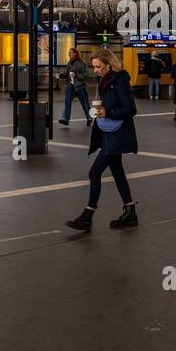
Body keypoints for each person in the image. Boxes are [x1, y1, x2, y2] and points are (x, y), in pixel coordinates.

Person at [66, 48, 139, 230]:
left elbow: (130, 109)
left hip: (117, 134)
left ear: (108, 65)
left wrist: (108, 112)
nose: (95, 70)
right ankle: (130, 211)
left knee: (94, 173)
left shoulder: (120, 81)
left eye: (98, 67)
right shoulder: (105, 81)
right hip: (109, 132)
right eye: (94, 67)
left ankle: (87, 216)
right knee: (117, 172)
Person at [58, 47, 92, 127]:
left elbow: (86, 75)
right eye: (69, 52)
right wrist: (60, 75)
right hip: (71, 86)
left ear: (75, 54)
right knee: (67, 101)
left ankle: (89, 118)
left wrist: (76, 75)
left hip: (80, 86)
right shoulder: (69, 63)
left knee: (84, 103)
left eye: (71, 52)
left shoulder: (80, 63)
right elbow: (67, 74)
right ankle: (66, 119)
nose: (69, 54)